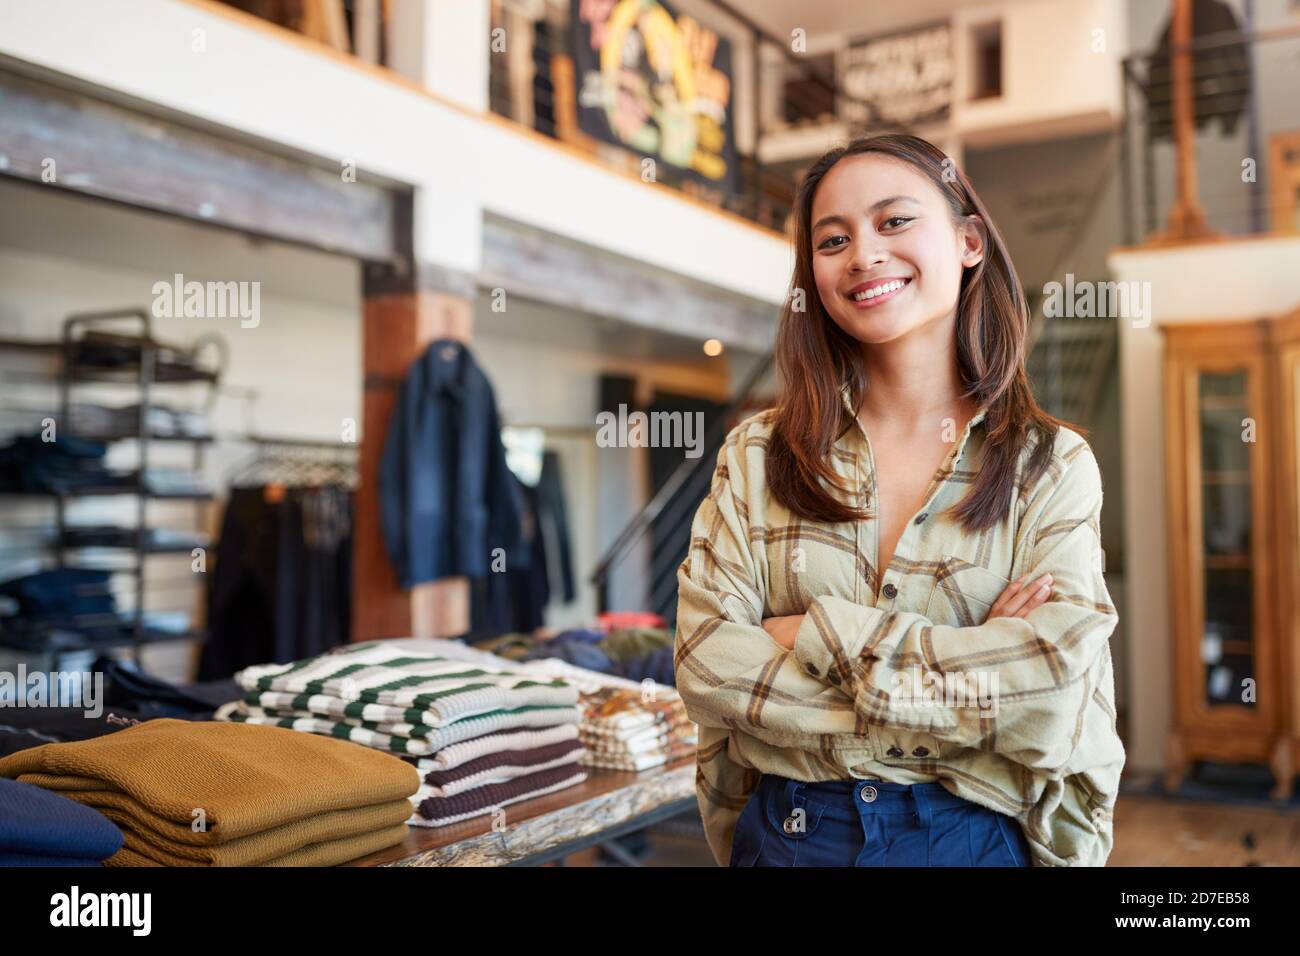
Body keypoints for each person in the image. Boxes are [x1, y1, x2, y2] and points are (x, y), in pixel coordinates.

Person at [673, 134, 1125, 867]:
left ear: (969, 241)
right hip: (790, 838)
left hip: (965, 838)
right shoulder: (756, 455)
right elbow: (706, 665)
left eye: (893, 222)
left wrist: (813, 634)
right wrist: (970, 690)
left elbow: (1052, 692)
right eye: (832, 238)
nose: (863, 255)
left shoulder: (1051, 464)